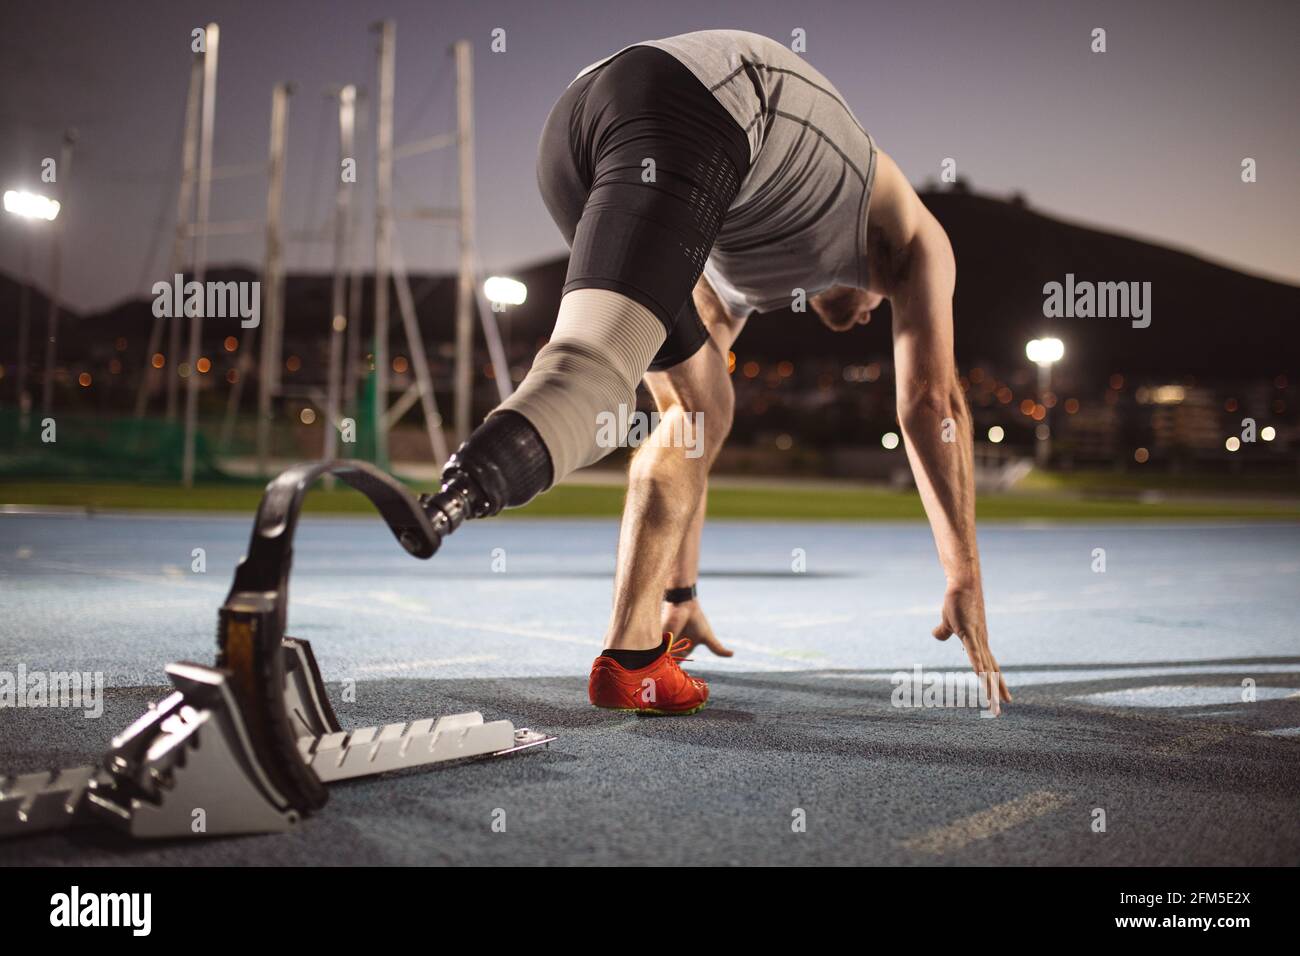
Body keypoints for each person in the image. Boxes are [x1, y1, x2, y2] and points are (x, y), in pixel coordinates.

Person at [419, 30, 1011, 717]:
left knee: (697, 406)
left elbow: (692, 428)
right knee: (591, 371)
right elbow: (932, 402)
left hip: (576, 135)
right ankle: (457, 497)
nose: (863, 318)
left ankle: (637, 650)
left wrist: (682, 593)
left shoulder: (735, 275)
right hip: (692, 107)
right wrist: (964, 573)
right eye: (878, 310)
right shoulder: (912, 235)